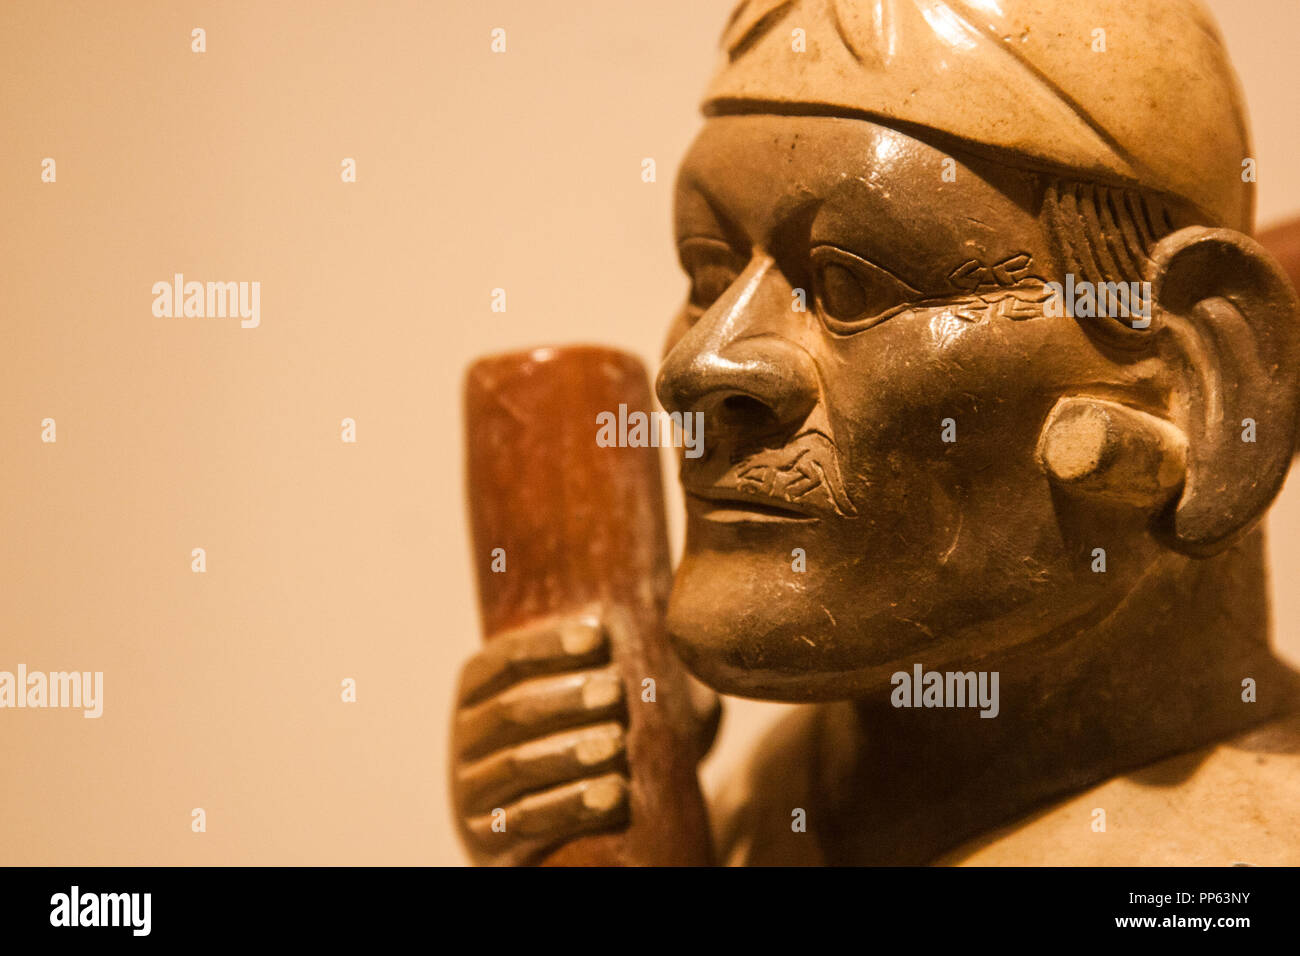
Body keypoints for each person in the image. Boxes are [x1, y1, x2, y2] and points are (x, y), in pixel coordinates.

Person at [452, 0, 1300, 865]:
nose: (696, 367)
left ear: (1200, 378)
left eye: (853, 288)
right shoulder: (779, 803)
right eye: (708, 273)